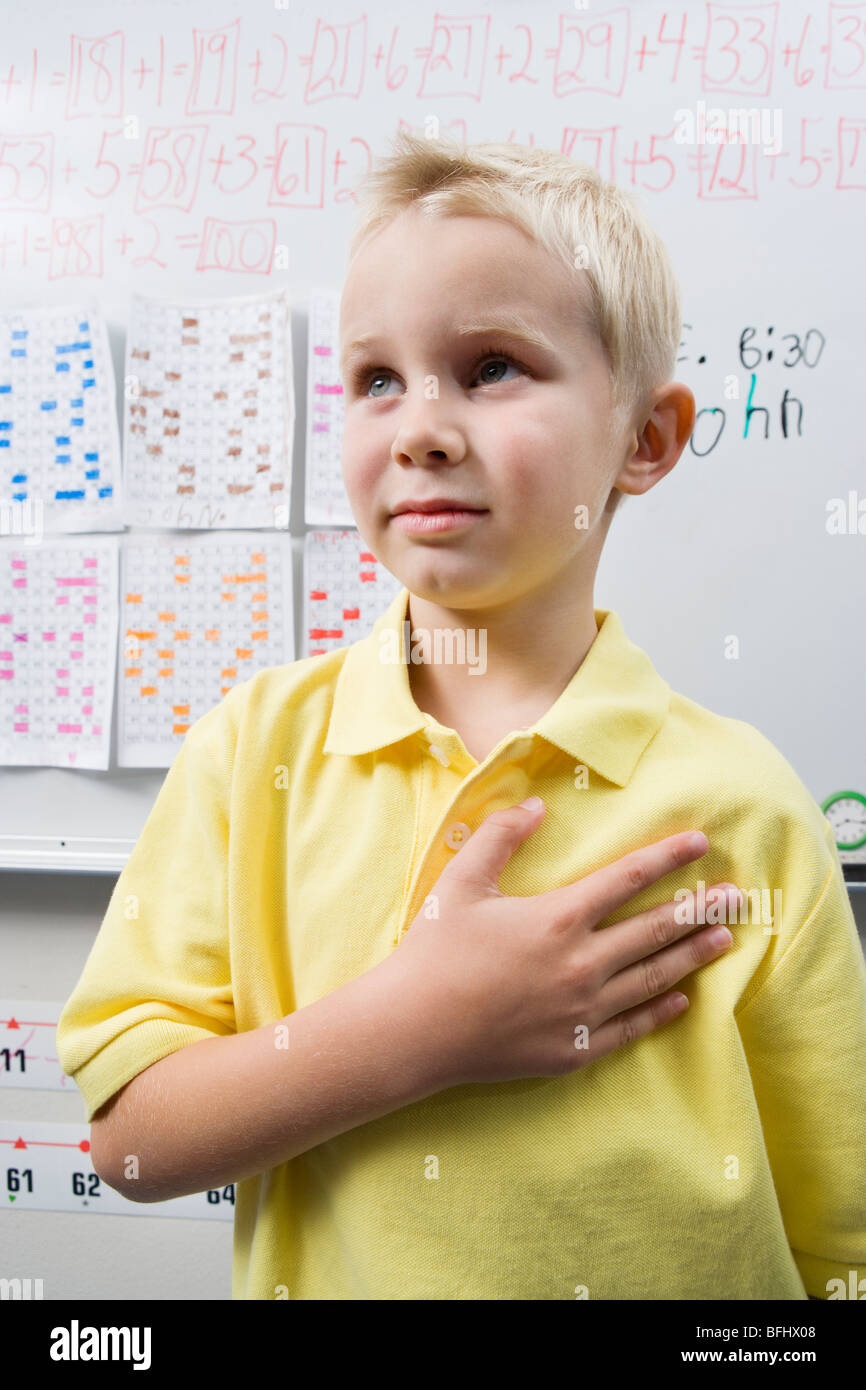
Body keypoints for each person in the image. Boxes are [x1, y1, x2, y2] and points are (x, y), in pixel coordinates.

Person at [57, 130, 866, 1300]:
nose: (419, 425)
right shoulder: (253, 753)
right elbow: (131, 1143)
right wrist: (419, 1026)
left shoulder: (743, 802)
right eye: (375, 379)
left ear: (643, 439)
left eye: (490, 366)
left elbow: (839, 1241)